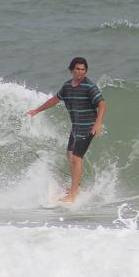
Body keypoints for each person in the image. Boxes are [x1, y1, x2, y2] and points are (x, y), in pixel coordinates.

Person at [26, 56, 106, 203]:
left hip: (88, 128)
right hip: (76, 127)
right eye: (77, 69)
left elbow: (102, 105)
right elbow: (55, 100)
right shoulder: (67, 86)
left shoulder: (90, 87)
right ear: (71, 70)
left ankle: (73, 194)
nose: (80, 72)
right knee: (69, 155)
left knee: (76, 158)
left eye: (83, 69)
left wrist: (97, 124)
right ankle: (77, 187)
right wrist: (36, 110)